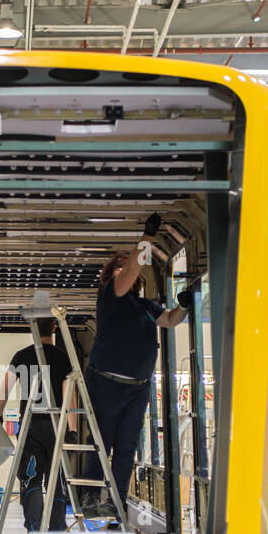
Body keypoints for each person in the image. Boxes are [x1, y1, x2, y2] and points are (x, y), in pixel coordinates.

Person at [81, 212, 191, 518]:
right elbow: (129, 272)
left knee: (126, 448)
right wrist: (147, 237)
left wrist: (183, 305)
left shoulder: (144, 306)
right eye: (118, 268)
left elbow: (169, 320)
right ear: (111, 276)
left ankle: (114, 499)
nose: (124, 272)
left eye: (125, 266)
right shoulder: (110, 297)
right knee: (101, 441)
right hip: (107, 383)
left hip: (137, 389)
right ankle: (90, 497)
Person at [0, 317, 73, 532]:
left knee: (31, 478)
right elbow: (69, 396)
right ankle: (56, 529)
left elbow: (4, 389)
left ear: (32, 330)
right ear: (53, 328)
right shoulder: (62, 357)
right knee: (56, 480)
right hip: (56, 427)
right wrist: (72, 429)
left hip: (30, 426)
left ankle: (34, 529)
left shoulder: (21, 356)